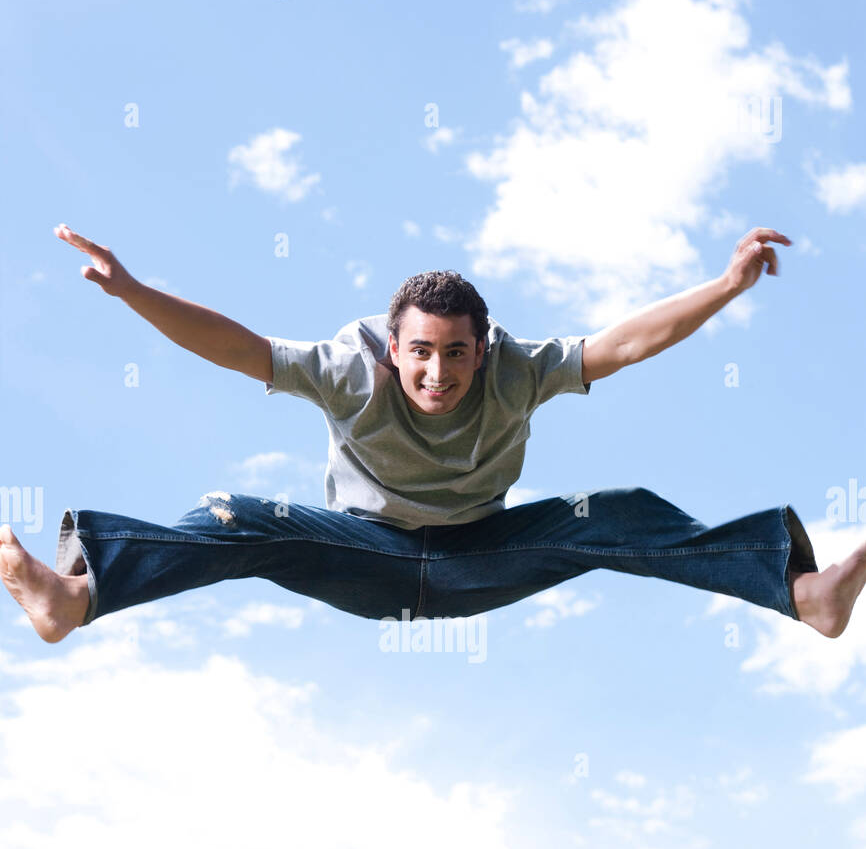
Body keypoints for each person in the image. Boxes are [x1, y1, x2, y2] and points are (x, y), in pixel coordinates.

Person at [2, 223, 864, 645]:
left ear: (483, 349)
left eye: (457, 356)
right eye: (421, 354)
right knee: (236, 513)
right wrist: (134, 290)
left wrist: (724, 285)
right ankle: (77, 597)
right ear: (394, 345)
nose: (438, 376)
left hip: (483, 555)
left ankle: (800, 594)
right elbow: (236, 347)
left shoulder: (519, 368)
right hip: (363, 555)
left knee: (620, 510)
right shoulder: (348, 367)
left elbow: (627, 342)